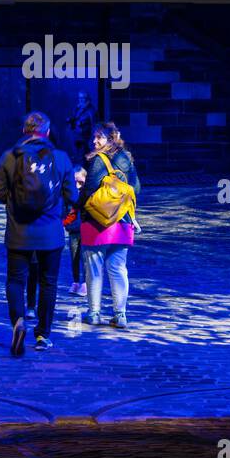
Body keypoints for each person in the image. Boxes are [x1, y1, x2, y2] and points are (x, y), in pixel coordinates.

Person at [0, 111, 77, 355]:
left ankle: (18, 320)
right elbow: (73, 196)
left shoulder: (10, 157)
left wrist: (15, 200)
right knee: (48, 283)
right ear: (48, 132)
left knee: (16, 280)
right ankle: (43, 335)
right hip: (51, 234)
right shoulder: (60, 158)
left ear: (24, 131)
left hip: (19, 233)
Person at [78, 122, 141, 329]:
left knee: (94, 270)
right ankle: (120, 315)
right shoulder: (127, 160)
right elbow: (137, 188)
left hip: (97, 223)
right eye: (94, 137)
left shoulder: (98, 160)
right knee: (118, 269)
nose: (95, 141)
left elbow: (88, 191)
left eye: (99, 137)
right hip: (122, 222)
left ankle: (94, 313)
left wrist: (79, 206)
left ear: (111, 139)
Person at [63, 168, 87, 296]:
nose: (77, 185)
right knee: (74, 257)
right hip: (73, 230)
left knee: (85, 258)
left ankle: (85, 284)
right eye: (74, 182)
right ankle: (76, 281)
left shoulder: (87, 193)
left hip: (86, 229)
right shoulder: (68, 195)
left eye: (80, 182)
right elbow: (64, 210)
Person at [65, 91, 95, 162]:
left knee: (83, 157)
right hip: (76, 136)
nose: (81, 100)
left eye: (83, 98)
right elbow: (75, 118)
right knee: (77, 156)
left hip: (85, 139)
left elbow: (93, 124)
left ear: (87, 99)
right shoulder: (77, 108)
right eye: (80, 98)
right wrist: (71, 120)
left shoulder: (91, 110)